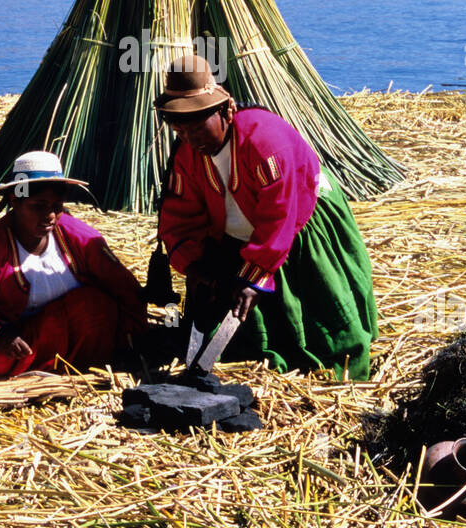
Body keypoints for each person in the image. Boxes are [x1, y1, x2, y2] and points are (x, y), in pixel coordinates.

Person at [155, 55, 378, 378]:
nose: (190, 139)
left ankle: (332, 359)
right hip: (237, 228)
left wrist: (255, 275)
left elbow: (280, 213)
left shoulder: (264, 141)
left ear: (225, 111)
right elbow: (180, 215)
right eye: (180, 129)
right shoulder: (187, 153)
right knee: (229, 309)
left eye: (197, 127)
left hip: (301, 217)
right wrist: (196, 265)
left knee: (322, 315)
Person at [0, 151, 147, 377]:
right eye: (38, 206)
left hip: (73, 340)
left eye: (56, 206)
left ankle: (69, 370)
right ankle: (42, 370)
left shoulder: (80, 238)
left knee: (95, 306)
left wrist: (134, 341)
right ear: (15, 200)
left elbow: (125, 289)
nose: (50, 215)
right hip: (18, 345)